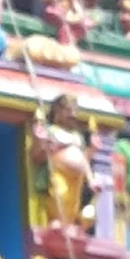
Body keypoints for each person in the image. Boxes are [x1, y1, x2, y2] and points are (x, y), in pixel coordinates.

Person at [30, 93, 97, 230]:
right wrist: (43, 145)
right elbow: (35, 156)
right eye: (68, 110)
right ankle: (57, 222)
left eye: (74, 110)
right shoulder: (51, 131)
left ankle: (69, 224)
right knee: (60, 195)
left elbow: (84, 161)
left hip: (76, 179)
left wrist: (92, 150)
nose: (72, 114)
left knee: (73, 202)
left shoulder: (77, 136)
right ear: (57, 111)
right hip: (58, 174)